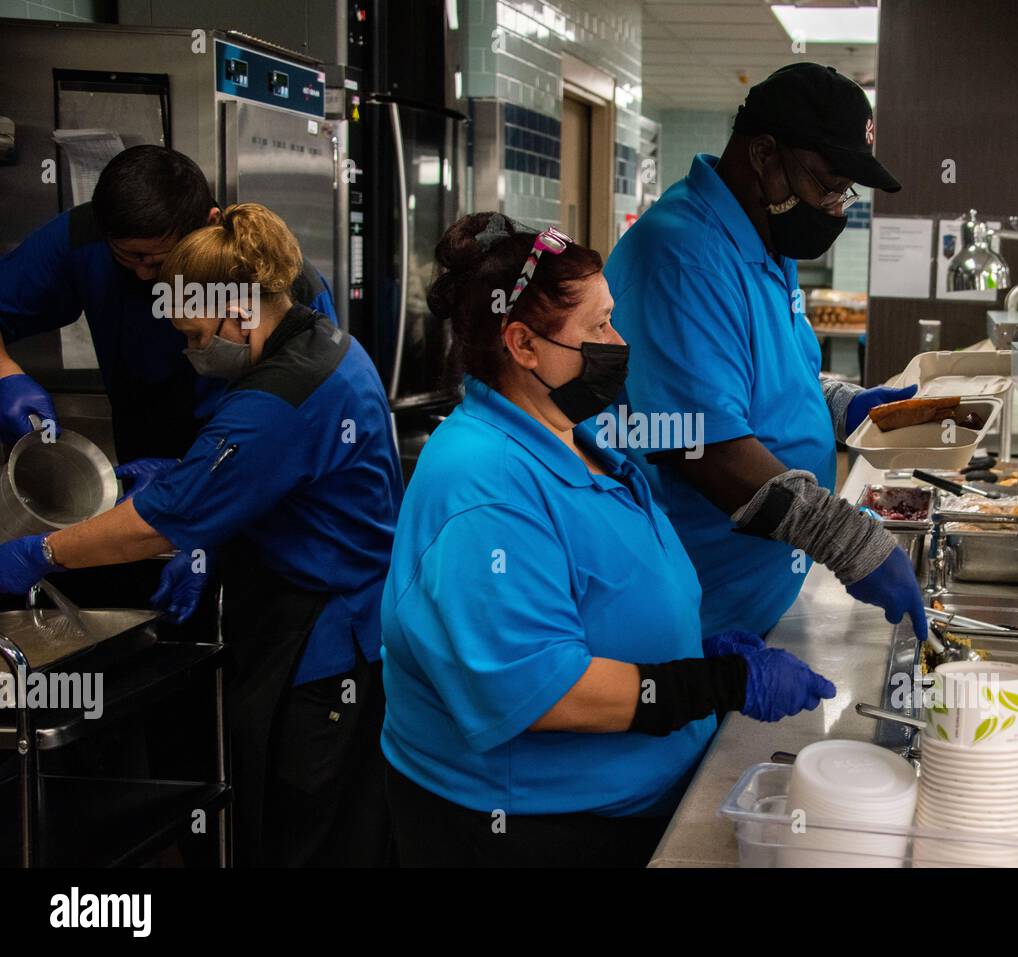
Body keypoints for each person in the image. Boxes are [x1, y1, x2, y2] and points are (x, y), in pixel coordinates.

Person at [380, 212, 835, 868]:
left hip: (627, 803)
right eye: (598, 327)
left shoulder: (576, 431)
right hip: (530, 831)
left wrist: (688, 648)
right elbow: (544, 690)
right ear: (524, 344)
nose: (618, 342)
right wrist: (715, 681)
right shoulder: (485, 483)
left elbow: (597, 596)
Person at [0, 204, 401, 866]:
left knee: (307, 839)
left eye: (192, 333)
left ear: (237, 310)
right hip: (340, 623)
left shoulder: (276, 398)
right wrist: (191, 479)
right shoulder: (319, 338)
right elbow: (251, 482)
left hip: (324, 647)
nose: (189, 352)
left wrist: (36, 553)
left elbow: (156, 526)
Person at [602, 62, 928, 644]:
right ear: (763, 154)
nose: (835, 209)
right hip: (697, 616)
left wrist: (841, 406)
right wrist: (849, 543)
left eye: (842, 192)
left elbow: (766, 377)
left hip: (761, 595)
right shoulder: (682, 257)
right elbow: (705, 449)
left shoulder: (763, 236)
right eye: (826, 185)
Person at [0, 144, 336, 463]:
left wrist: (192, 477)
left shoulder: (285, 282)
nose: (145, 275)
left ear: (210, 222)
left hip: (249, 476)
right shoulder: (85, 238)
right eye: (129, 258)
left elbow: (319, 422)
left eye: (160, 261)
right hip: (145, 472)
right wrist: (4, 374)